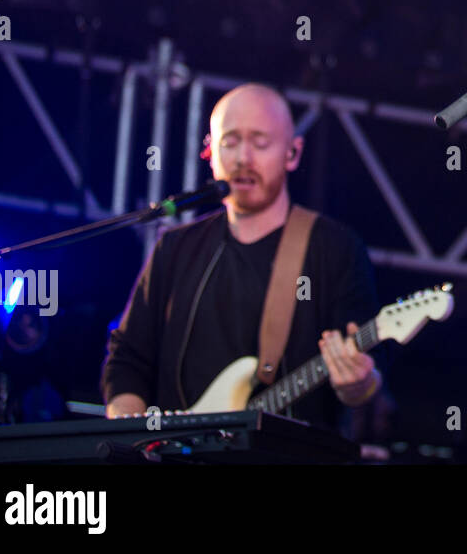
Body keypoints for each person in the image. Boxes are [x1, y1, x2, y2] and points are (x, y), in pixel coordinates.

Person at [103, 83, 382, 431]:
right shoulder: (174, 248)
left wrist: (358, 383)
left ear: (293, 153)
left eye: (260, 143)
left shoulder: (335, 250)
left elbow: (367, 386)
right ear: (210, 152)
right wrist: (130, 428)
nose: (242, 159)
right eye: (230, 142)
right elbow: (127, 356)